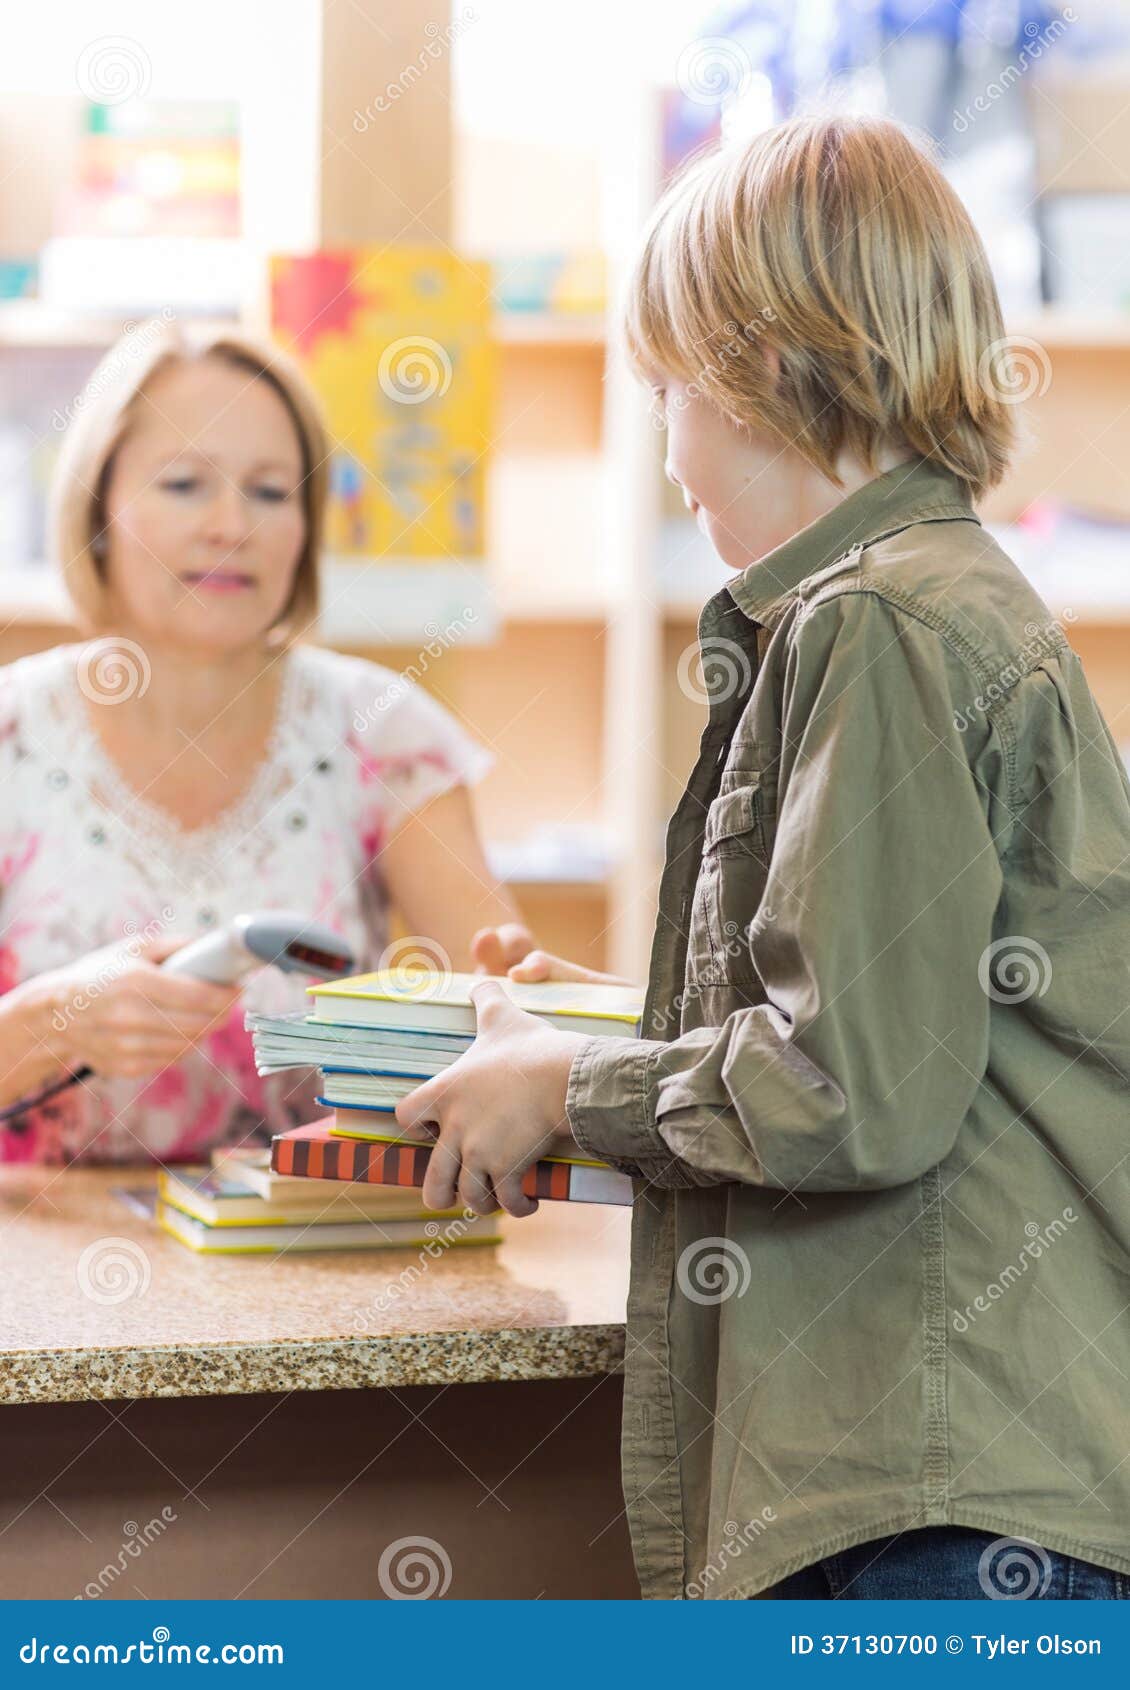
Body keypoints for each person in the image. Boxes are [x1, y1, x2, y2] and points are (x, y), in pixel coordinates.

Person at [393, 116, 1130, 1600]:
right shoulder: (913, 606)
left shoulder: (880, 625)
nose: (664, 446)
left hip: (932, 1490)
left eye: (664, 389)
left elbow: (848, 1083)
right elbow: (890, 1010)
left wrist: (568, 1090)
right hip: (959, 1476)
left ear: (752, 366)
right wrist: (604, 1023)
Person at [0, 321, 530, 1164]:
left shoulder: (382, 733)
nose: (230, 524)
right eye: (183, 484)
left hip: (310, 1255)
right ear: (96, 506)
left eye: (272, 492)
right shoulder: (13, 734)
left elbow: (515, 1028)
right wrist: (35, 1026)